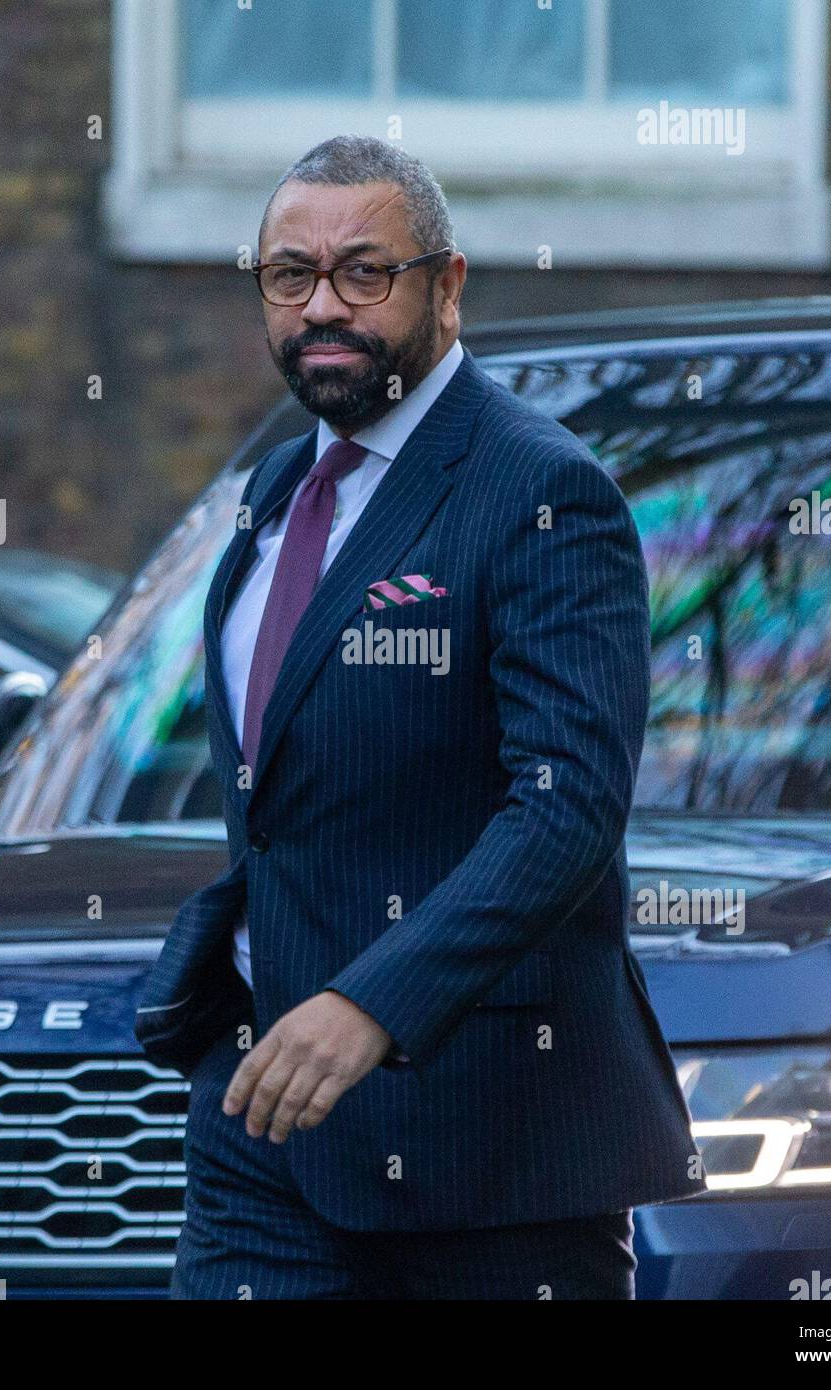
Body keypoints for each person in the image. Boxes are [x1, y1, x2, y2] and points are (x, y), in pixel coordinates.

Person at [136, 134, 706, 1300]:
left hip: (485, 1147)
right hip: (264, 1136)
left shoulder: (541, 490)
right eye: (289, 275)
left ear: (445, 287)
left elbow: (564, 811)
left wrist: (368, 1006)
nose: (322, 306)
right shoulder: (272, 492)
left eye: (363, 272)